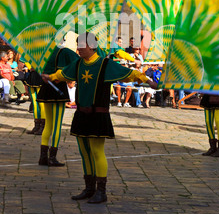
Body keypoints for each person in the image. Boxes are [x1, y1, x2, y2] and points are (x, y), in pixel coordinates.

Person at [42, 32, 158, 204]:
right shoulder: (78, 63)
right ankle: (89, 188)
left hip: (98, 115)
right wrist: (50, 77)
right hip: (81, 114)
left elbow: (129, 73)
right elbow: (63, 74)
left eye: (81, 45)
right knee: (84, 152)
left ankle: (101, 191)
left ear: (91, 46)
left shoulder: (105, 64)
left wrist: (147, 80)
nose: (78, 49)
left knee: (97, 152)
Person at [36, 45, 79, 167]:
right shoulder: (63, 51)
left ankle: (43, 157)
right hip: (57, 88)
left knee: (48, 124)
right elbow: (74, 63)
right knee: (57, 125)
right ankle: (52, 158)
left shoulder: (44, 51)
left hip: (46, 87)